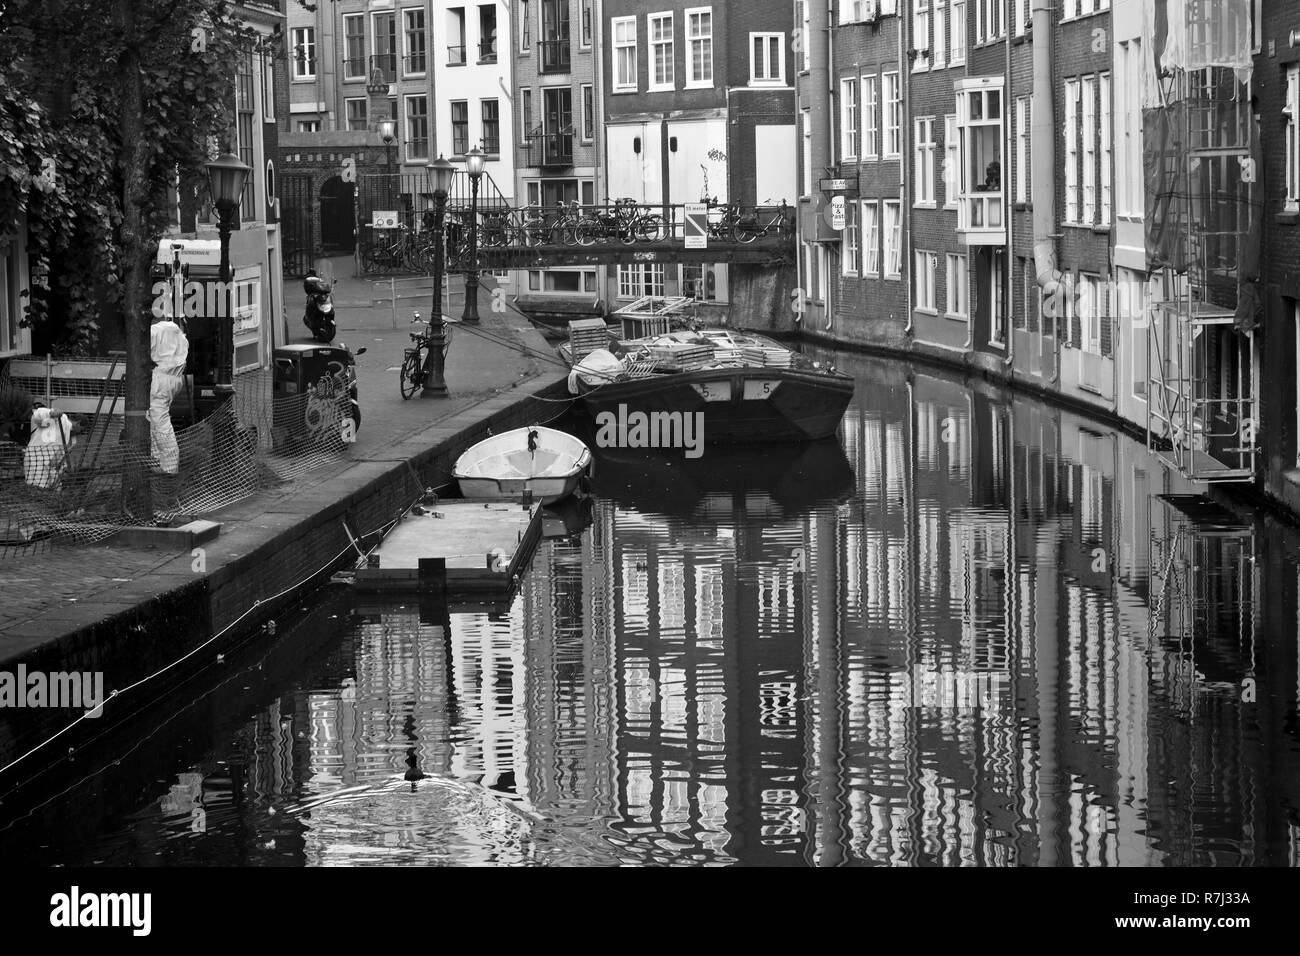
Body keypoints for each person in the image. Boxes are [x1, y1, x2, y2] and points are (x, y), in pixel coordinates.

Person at [149, 312, 189, 474]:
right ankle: (157, 459)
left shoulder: (153, 331)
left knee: (159, 419)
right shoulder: (177, 331)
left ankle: (169, 466)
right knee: (154, 417)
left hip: (160, 378)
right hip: (175, 378)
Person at [24, 406, 76, 489]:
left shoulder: (69, 436)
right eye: (82, 429)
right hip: (37, 459)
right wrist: (51, 413)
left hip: (50, 464)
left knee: (56, 488)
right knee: (38, 488)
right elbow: (38, 413)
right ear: (78, 423)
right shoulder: (62, 419)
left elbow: (60, 453)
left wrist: (62, 467)